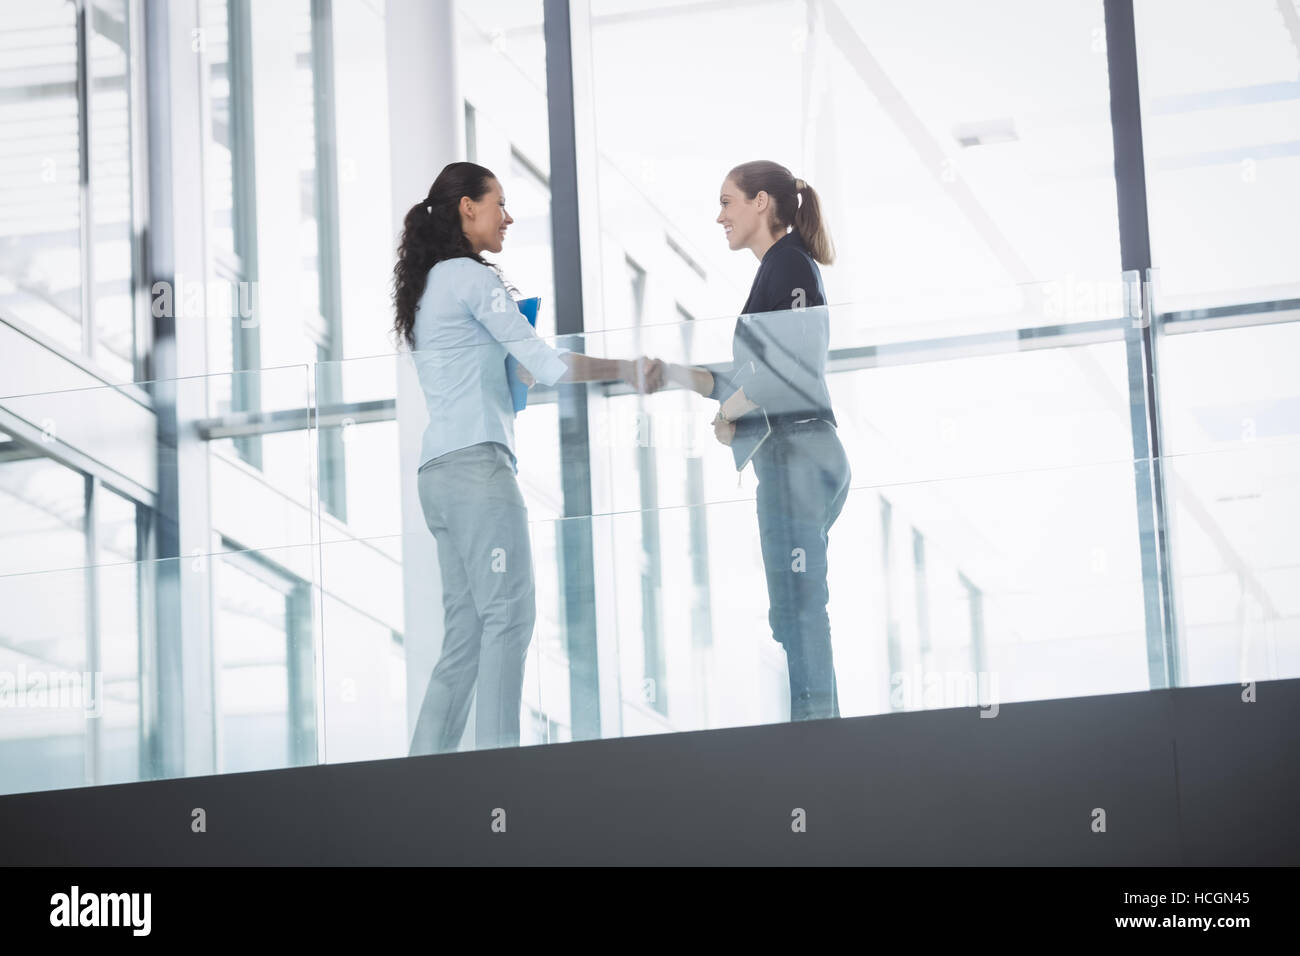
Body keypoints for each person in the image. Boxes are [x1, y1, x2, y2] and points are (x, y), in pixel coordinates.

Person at [393, 161, 662, 754]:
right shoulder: (471, 277)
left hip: (437, 473)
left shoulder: (430, 285)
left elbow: (505, 365)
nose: (507, 217)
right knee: (509, 617)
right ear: (467, 207)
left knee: (465, 634)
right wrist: (627, 369)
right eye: (499, 204)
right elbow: (549, 364)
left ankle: (423, 769)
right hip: (478, 467)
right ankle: (498, 766)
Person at [664, 160, 850, 721]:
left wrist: (735, 405)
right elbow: (762, 376)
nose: (719, 216)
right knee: (792, 609)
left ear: (761, 202)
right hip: (793, 453)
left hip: (800, 450)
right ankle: (816, 727)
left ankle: (819, 734)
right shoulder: (778, 267)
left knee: (801, 607)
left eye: (728, 202)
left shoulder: (789, 263)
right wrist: (723, 402)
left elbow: (793, 366)